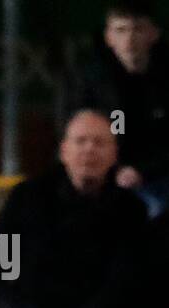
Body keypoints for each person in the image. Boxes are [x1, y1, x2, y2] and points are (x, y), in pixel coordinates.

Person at [0, 108, 149, 308]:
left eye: (99, 142)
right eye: (81, 141)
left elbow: (129, 282)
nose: (89, 150)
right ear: (64, 150)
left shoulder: (131, 210)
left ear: (114, 154)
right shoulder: (26, 199)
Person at [70, 1, 169, 217]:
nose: (129, 39)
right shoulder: (92, 82)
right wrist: (112, 170)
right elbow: (76, 134)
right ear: (109, 37)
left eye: (138, 29)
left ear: (153, 34)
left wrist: (142, 171)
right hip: (107, 176)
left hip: (159, 177)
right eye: (121, 30)